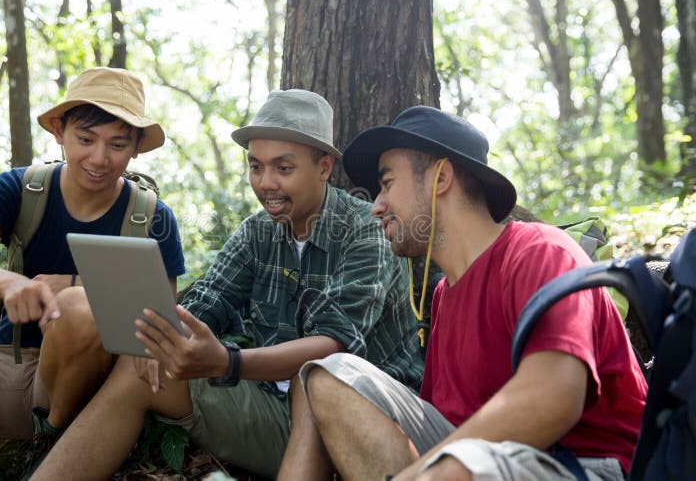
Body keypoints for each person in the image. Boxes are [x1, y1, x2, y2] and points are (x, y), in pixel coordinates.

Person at [30, 89, 423, 480]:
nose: (266, 183)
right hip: (275, 412)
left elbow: (331, 344)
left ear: (323, 166)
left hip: (361, 428)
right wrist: (166, 337)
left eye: (283, 168)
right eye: (256, 167)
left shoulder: (364, 231)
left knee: (314, 379)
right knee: (141, 371)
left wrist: (228, 361)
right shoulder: (258, 233)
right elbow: (208, 298)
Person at [278, 106, 648, 480]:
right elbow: (450, 427)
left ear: (441, 178)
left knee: (460, 464)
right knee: (324, 378)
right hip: (475, 464)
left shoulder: (539, 251)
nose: (376, 207)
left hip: (585, 467)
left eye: (387, 183)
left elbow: (555, 397)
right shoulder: (443, 296)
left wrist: (419, 472)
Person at [0, 67, 185, 448]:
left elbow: (161, 320)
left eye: (117, 144)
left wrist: (75, 286)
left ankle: (51, 442)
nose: (99, 158)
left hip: (95, 388)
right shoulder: (18, 188)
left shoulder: (152, 217)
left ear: (135, 148)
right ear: (59, 132)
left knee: (77, 307)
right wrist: (9, 282)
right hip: (6, 372)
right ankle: (39, 430)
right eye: (85, 138)